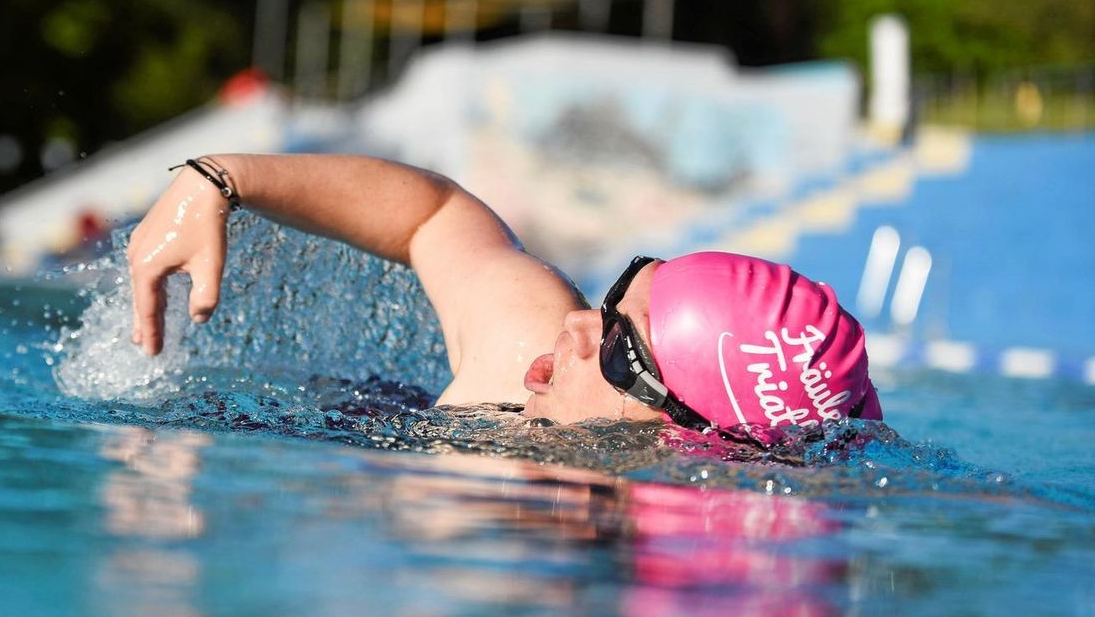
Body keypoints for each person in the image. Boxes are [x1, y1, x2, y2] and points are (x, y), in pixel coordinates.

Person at [126, 153, 881, 442]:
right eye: (615, 299)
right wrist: (219, 180)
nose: (580, 323)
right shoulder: (531, 336)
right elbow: (433, 214)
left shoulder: (532, 552)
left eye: (620, 349)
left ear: (688, 438)